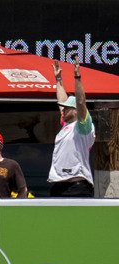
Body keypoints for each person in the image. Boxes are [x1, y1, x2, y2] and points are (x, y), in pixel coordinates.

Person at [48, 58, 95, 197]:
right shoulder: (66, 125)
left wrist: (77, 77)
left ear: (76, 111)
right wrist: (58, 79)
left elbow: (80, 102)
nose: (63, 110)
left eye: (68, 109)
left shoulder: (83, 127)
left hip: (77, 187)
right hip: (58, 186)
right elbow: (62, 101)